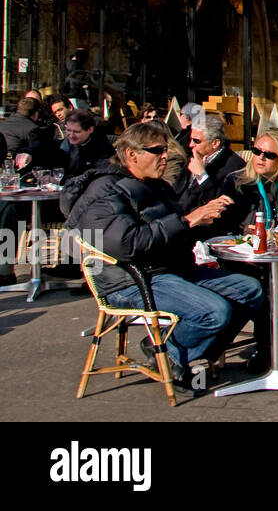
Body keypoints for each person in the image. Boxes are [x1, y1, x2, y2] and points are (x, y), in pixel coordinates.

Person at [61, 122, 263, 394]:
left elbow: (174, 228)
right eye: (157, 151)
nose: (165, 156)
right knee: (214, 311)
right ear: (132, 154)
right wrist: (189, 221)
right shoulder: (106, 191)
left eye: (165, 150)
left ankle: (184, 357)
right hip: (130, 279)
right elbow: (128, 245)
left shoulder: (155, 186)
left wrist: (207, 221)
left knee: (249, 289)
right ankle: (167, 352)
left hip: (168, 268)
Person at [214, 129, 278, 371]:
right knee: (266, 287)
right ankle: (275, 349)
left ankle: (273, 349)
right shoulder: (238, 184)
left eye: (268, 155)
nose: (259, 158)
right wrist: (244, 231)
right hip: (247, 260)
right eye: (256, 151)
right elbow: (221, 224)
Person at [173, 114, 244, 213]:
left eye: (196, 141)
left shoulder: (235, 166)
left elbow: (220, 206)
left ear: (215, 143)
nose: (191, 145)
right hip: (179, 216)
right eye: (191, 139)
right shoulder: (195, 156)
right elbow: (177, 191)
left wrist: (202, 176)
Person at [60, 109, 115, 179]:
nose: (71, 135)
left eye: (76, 132)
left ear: (90, 130)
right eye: (68, 130)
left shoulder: (102, 147)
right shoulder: (67, 144)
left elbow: (100, 173)